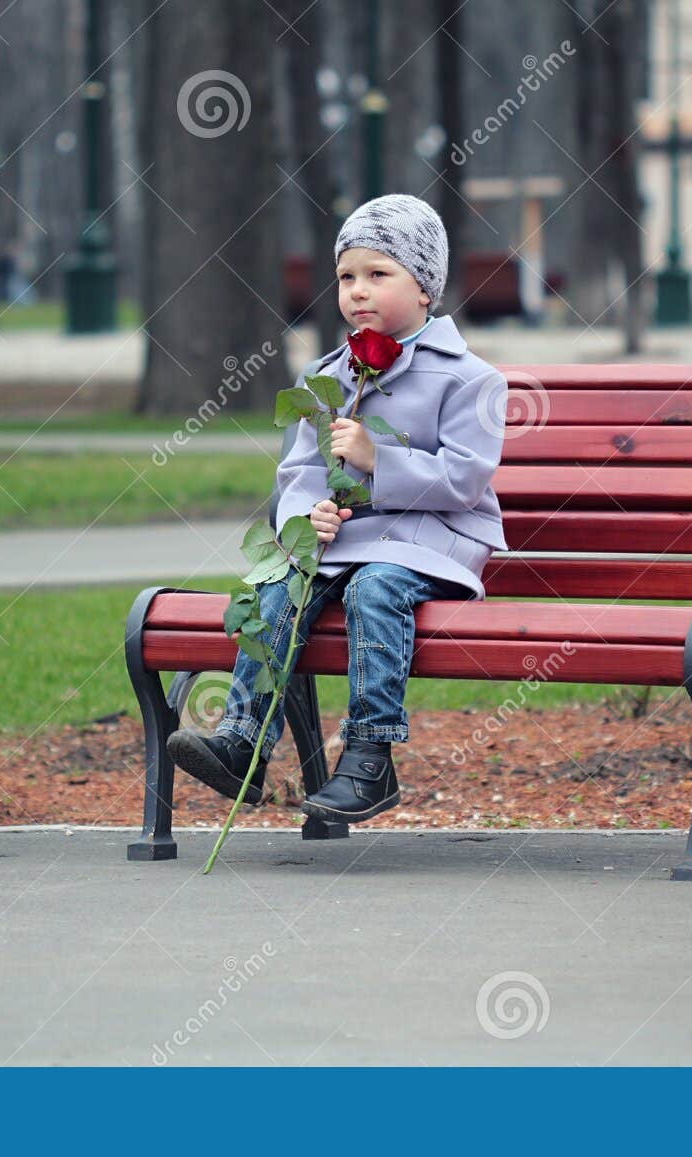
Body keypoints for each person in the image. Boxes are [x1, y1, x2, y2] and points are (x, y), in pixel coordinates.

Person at [166, 193, 508, 823]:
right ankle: (243, 740)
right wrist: (308, 516)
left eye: (380, 274)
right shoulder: (327, 378)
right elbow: (298, 471)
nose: (359, 291)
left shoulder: (471, 380)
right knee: (278, 588)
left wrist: (379, 462)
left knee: (375, 590)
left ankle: (369, 758)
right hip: (345, 542)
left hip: (430, 540)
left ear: (426, 286)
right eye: (347, 277)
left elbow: (464, 480)